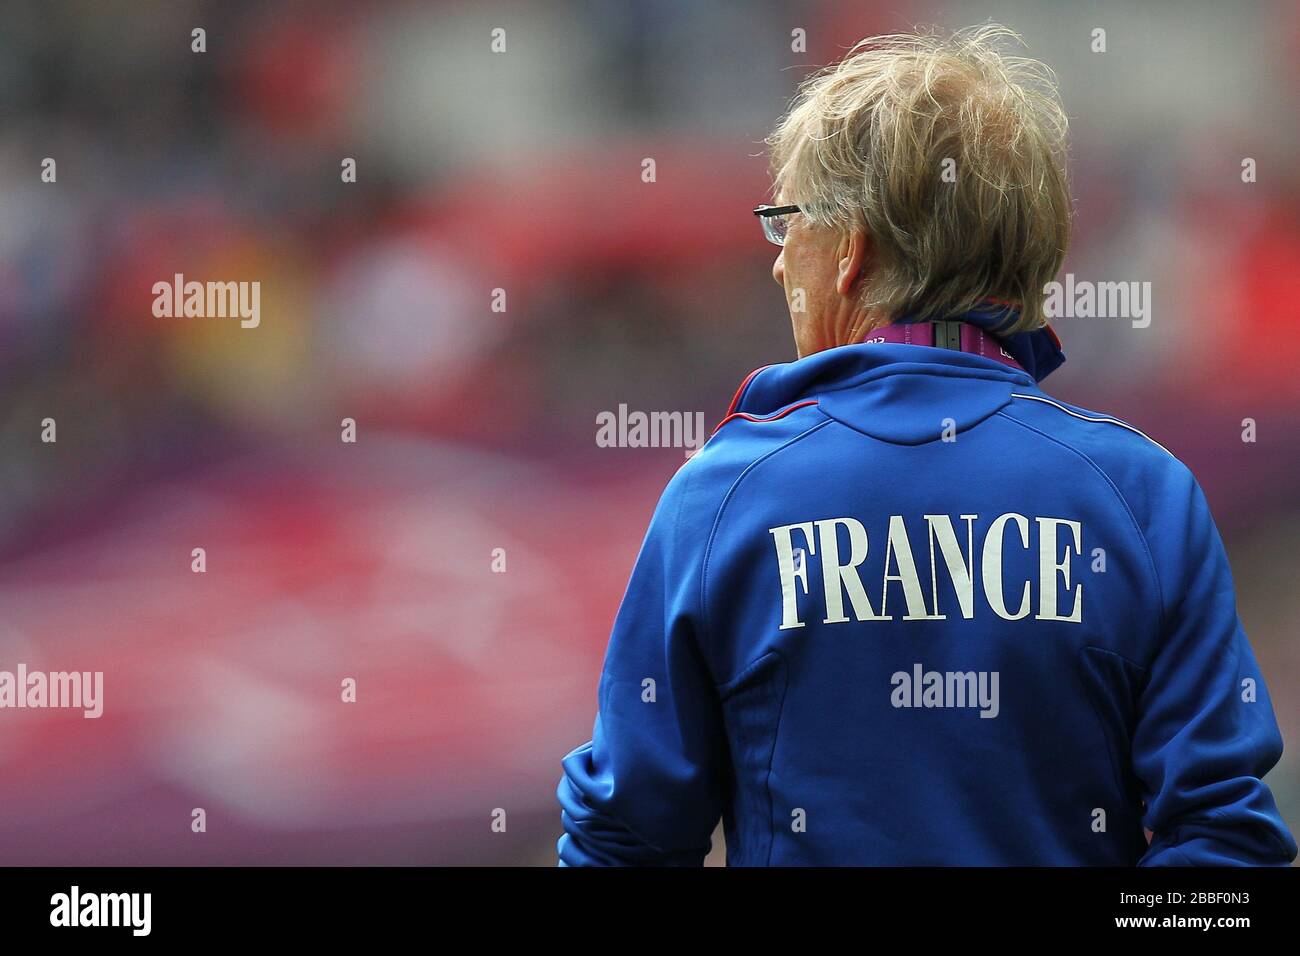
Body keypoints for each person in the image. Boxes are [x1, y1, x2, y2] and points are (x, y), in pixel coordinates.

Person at [556, 25, 1297, 866]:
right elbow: (1226, 851)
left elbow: (625, 842)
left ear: (850, 252)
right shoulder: (1143, 496)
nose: (775, 264)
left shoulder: (724, 497)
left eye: (785, 221)